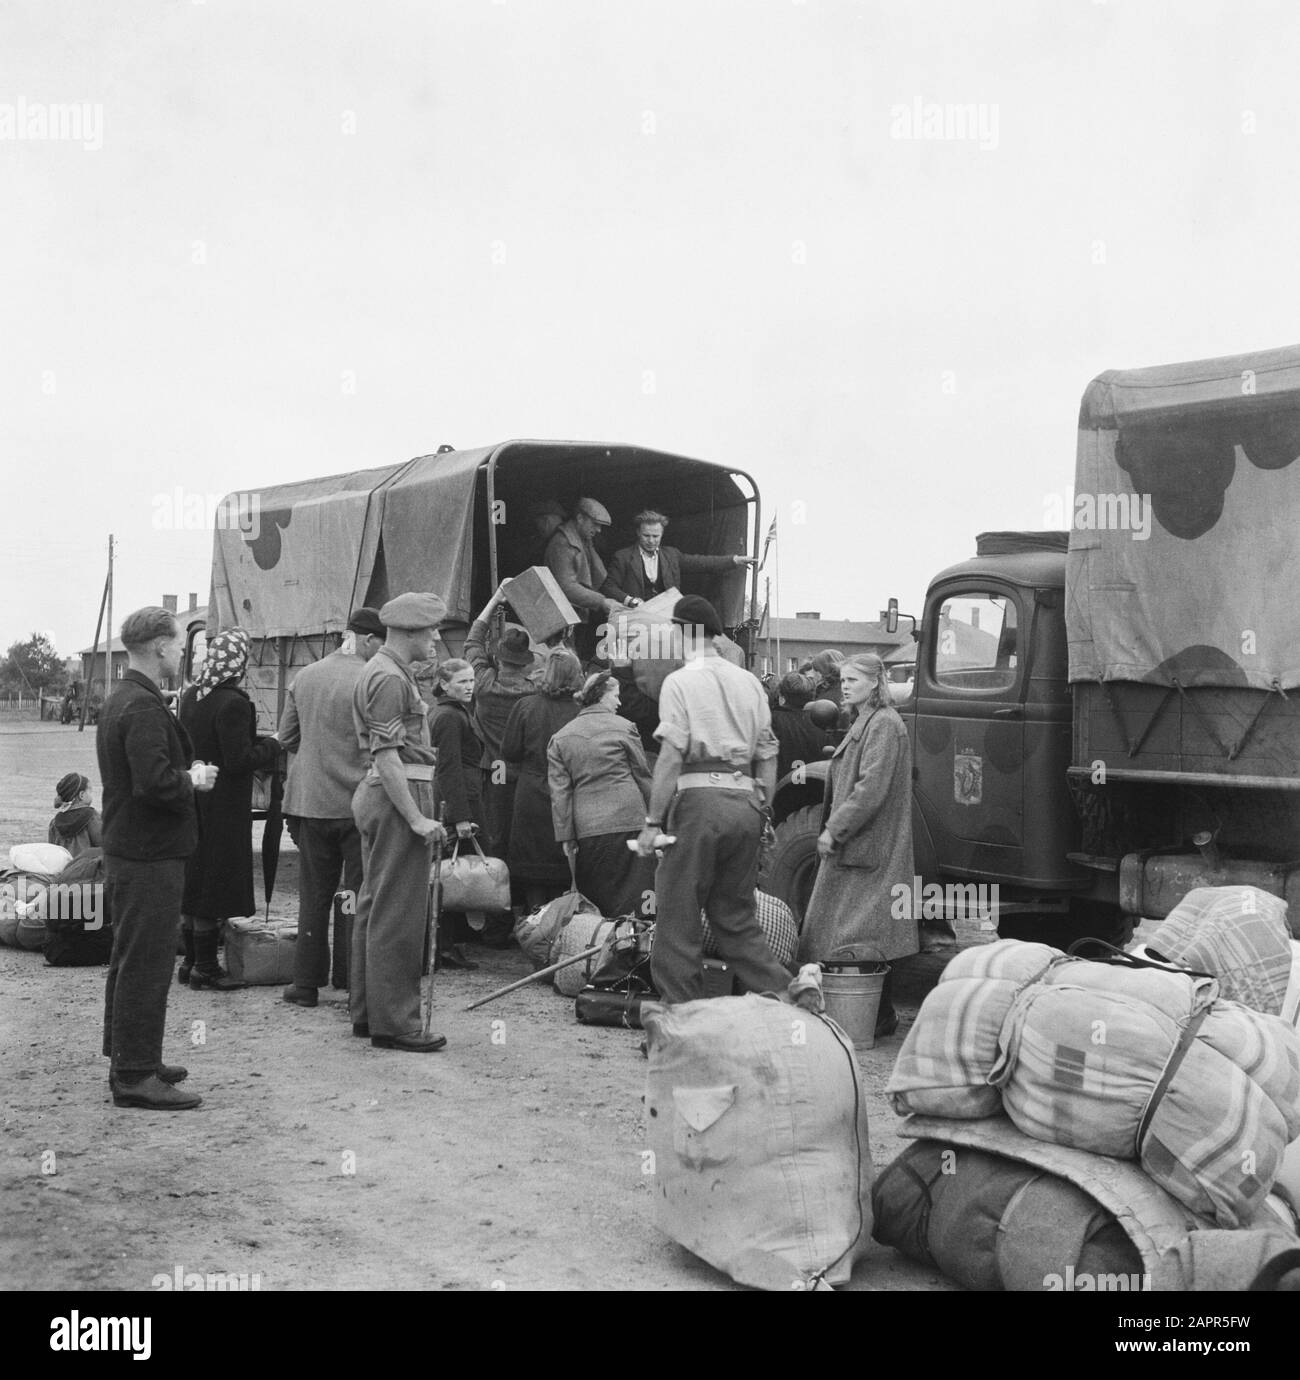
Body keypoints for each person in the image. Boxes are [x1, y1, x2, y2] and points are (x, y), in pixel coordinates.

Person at [634, 595, 794, 1004]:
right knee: (736, 918)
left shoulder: (680, 681)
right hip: (745, 805)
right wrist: (764, 812)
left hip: (699, 804)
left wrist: (653, 822)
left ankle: (682, 1022)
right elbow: (769, 753)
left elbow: (671, 754)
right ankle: (789, 994)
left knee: (677, 917)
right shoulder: (749, 681)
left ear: (681, 631)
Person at [98, 606, 217, 1110]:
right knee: (146, 961)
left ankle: (131, 1056)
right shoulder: (144, 706)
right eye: (177, 643)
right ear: (161, 647)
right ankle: (134, 1074)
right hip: (149, 852)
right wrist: (193, 779)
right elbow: (153, 784)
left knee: (130, 956)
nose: (182, 652)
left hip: (132, 848)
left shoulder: (124, 696)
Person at [350, 592, 451, 1053]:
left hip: (386, 794)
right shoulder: (390, 678)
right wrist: (416, 818)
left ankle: (370, 1013)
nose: (435, 638)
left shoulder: (386, 670)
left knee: (375, 905)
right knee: (399, 913)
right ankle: (395, 1024)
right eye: (430, 630)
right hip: (399, 795)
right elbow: (387, 755)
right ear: (409, 630)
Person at [797, 652, 916, 1038]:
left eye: (853, 680)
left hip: (869, 846)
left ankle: (876, 1017)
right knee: (862, 936)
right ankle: (872, 1014)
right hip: (862, 845)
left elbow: (870, 789)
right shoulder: (868, 720)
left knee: (864, 937)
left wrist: (834, 829)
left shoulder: (884, 724)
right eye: (843, 679)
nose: (844, 686)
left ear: (874, 683)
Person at [277, 607, 385, 1010]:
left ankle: (304, 984)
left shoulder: (304, 676)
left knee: (314, 895)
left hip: (308, 803)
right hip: (356, 805)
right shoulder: (372, 679)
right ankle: (350, 978)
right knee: (355, 895)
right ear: (369, 640)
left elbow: (287, 737)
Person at [177, 629, 281, 990]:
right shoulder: (233, 703)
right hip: (223, 806)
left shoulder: (191, 696)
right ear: (239, 663)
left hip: (195, 799)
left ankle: (191, 960)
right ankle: (206, 967)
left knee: (195, 876)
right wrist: (275, 745)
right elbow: (239, 760)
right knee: (214, 882)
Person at [548, 670, 655, 918]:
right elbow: (643, 776)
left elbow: (560, 794)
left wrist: (566, 836)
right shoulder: (625, 727)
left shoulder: (560, 738)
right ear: (600, 696)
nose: (619, 702)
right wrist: (656, 820)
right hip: (630, 820)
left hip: (589, 827)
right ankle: (640, 943)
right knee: (639, 890)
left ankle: (602, 947)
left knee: (598, 894)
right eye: (615, 696)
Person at [463, 583, 540, 890]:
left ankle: (498, 903)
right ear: (525, 661)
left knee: (495, 836)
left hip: (492, 773)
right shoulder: (534, 690)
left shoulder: (483, 682)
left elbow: (473, 638)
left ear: (498, 657)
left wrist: (495, 598)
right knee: (526, 837)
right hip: (525, 776)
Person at [500, 648, 583, 910]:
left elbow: (509, 752)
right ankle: (560, 925)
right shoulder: (582, 711)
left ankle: (535, 923)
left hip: (531, 790)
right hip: (569, 791)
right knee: (564, 860)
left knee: (531, 862)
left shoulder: (525, 706)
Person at [427, 657, 485, 970]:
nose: (469, 687)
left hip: (459, 796)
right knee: (450, 873)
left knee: (452, 871)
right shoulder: (449, 716)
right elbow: (447, 767)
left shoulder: (451, 711)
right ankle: (445, 946)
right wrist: (460, 816)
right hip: (456, 801)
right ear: (444, 684)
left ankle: (450, 943)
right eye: (462, 682)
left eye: (472, 681)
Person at [602, 509, 755, 607]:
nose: (651, 541)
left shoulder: (672, 555)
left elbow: (702, 563)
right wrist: (630, 600)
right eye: (646, 535)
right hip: (636, 617)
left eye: (656, 536)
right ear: (637, 533)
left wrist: (734, 560)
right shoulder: (622, 557)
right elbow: (609, 587)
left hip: (668, 616)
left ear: (662, 534)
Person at [545, 497, 624, 662]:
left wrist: (623, 599)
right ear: (580, 519)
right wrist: (603, 602)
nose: (599, 530)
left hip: (578, 615)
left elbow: (600, 578)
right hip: (562, 621)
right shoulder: (562, 543)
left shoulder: (584, 541)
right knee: (567, 664)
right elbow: (566, 587)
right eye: (595, 524)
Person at [769, 671, 831, 782]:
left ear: (782, 695)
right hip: (815, 787)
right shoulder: (821, 719)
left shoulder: (772, 720)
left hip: (781, 789)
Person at [48, 772, 103, 859]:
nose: (91, 794)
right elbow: (103, 844)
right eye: (90, 791)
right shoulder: (91, 816)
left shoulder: (54, 822)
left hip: (64, 870)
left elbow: (52, 850)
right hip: (85, 869)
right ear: (81, 795)